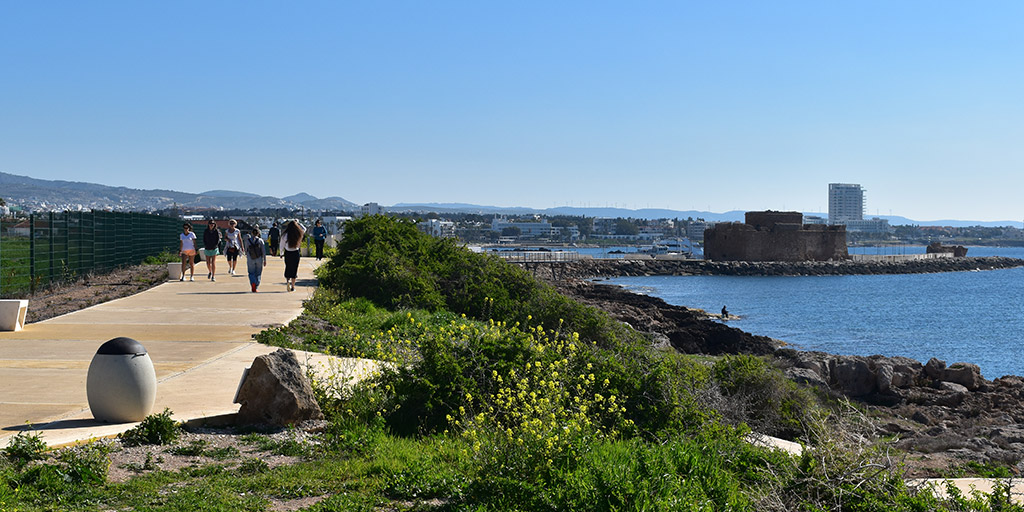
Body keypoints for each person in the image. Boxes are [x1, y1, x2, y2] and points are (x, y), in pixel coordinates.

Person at [281, 219, 306, 292]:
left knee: (288, 267)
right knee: (294, 269)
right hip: (295, 252)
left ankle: (287, 281)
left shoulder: (285, 235)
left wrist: (281, 253)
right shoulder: (298, 233)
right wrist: (298, 223)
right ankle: (293, 286)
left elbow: (281, 244)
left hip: (288, 253)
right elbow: (304, 229)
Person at [243, 226, 267, 292]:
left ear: (252, 233)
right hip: (259, 258)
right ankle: (256, 285)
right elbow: (263, 251)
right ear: (258, 233)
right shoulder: (260, 240)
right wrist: (264, 260)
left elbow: (246, 250)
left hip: (251, 258)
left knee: (251, 272)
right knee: (258, 273)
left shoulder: (248, 241)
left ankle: (252, 282)